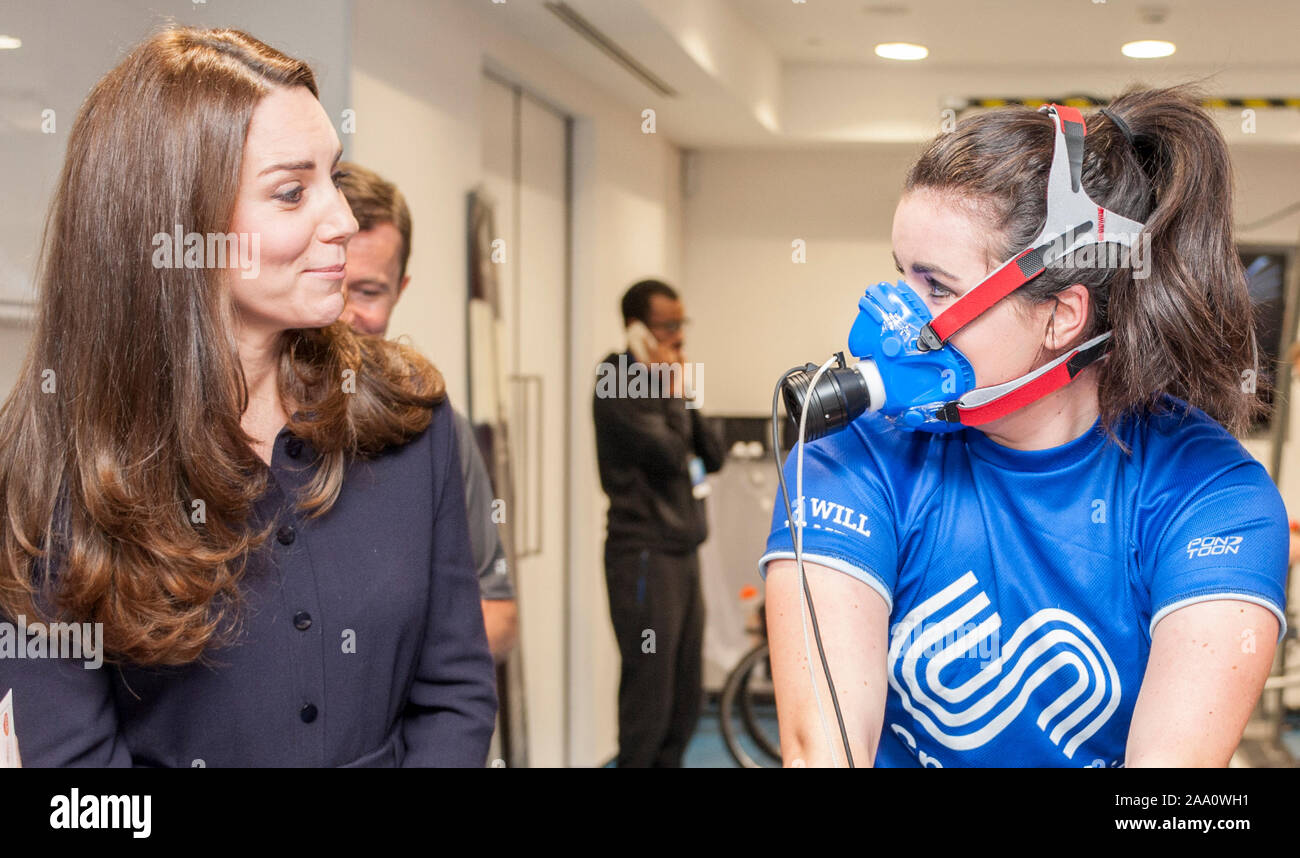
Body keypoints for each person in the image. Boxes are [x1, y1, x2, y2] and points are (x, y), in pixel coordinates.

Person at [0, 27, 496, 767]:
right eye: (293, 192)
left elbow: (456, 692)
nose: (344, 223)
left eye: (334, 176)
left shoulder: (404, 419)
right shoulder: (53, 474)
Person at [760, 85, 1290, 768]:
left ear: (1061, 316)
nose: (894, 319)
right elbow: (821, 754)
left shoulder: (1212, 496)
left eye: (937, 287)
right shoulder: (851, 454)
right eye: (901, 276)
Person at [336, 162, 518, 663]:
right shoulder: (233, 421)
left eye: (368, 291)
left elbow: (497, 616)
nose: (345, 314)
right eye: (332, 282)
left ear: (400, 290)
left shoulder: (435, 431)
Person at [593, 279, 725, 767]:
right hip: (644, 553)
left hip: (683, 552)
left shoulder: (670, 380)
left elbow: (711, 455)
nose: (677, 336)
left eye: (680, 323)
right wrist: (670, 391)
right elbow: (671, 454)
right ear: (637, 328)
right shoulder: (616, 377)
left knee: (684, 700)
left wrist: (684, 393)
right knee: (649, 700)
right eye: (667, 326)